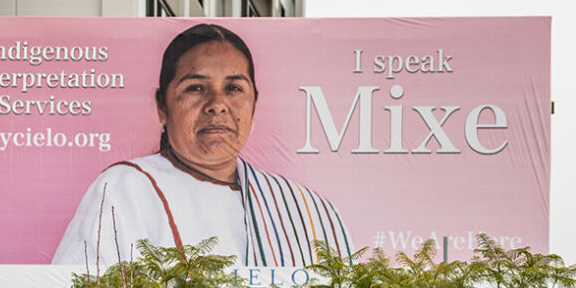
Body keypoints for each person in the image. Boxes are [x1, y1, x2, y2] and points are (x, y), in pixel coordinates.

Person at [54, 23, 353, 273]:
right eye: (196, 88)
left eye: (234, 88)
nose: (217, 105)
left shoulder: (309, 210)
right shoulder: (124, 188)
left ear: (253, 106)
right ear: (162, 107)